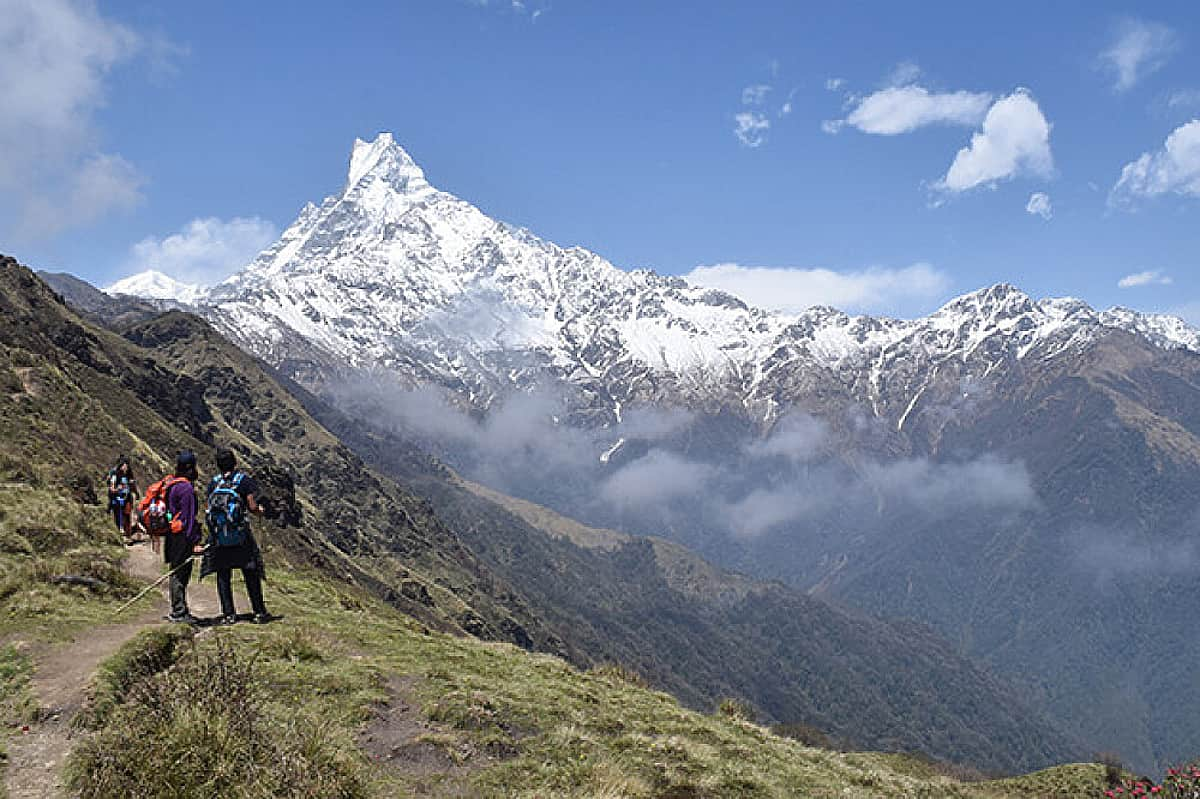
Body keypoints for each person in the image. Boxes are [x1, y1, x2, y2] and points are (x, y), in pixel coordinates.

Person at [202, 448, 272, 625]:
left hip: (220, 538)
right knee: (250, 572)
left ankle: (228, 614)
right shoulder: (243, 481)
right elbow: (251, 505)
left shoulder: (214, 483)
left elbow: (208, 508)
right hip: (240, 535)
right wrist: (260, 511)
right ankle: (258, 612)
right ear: (235, 462)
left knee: (223, 575)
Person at [164, 450, 203, 624]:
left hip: (172, 534)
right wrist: (194, 542)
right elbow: (188, 518)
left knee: (175, 572)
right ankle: (179, 611)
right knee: (180, 574)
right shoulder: (186, 488)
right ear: (189, 468)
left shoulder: (172, 485)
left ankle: (178, 609)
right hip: (182, 537)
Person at [106, 456, 139, 539]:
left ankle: (128, 534)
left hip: (127, 498)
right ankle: (121, 533)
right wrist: (117, 489)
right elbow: (112, 487)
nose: (126, 468)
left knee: (127, 515)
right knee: (119, 515)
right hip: (117, 498)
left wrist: (135, 492)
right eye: (124, 466)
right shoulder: (115, 474)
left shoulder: (128, 474)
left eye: (127, 466)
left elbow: (132, 484)